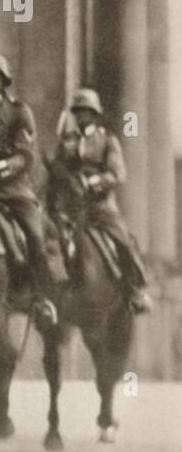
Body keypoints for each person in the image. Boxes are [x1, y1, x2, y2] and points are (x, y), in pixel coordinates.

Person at [0, 53, 63, 324]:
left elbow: (25, 155)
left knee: (34, 237)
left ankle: (42, 298)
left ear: (3, 80)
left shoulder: (18, 111)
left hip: (13, 191)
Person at [48, 88, 151, 314]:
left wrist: (94, 181)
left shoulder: (107, 140)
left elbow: (117, 174)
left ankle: (137, 288)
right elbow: (57, 169)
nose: (81, 116)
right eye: (78, 112)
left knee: (124, 241)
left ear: (94, 114)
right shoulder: (67, 141)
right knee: (49, 241)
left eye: (86, 111)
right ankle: (46, 292)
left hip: (100, 208)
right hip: (71, 208)